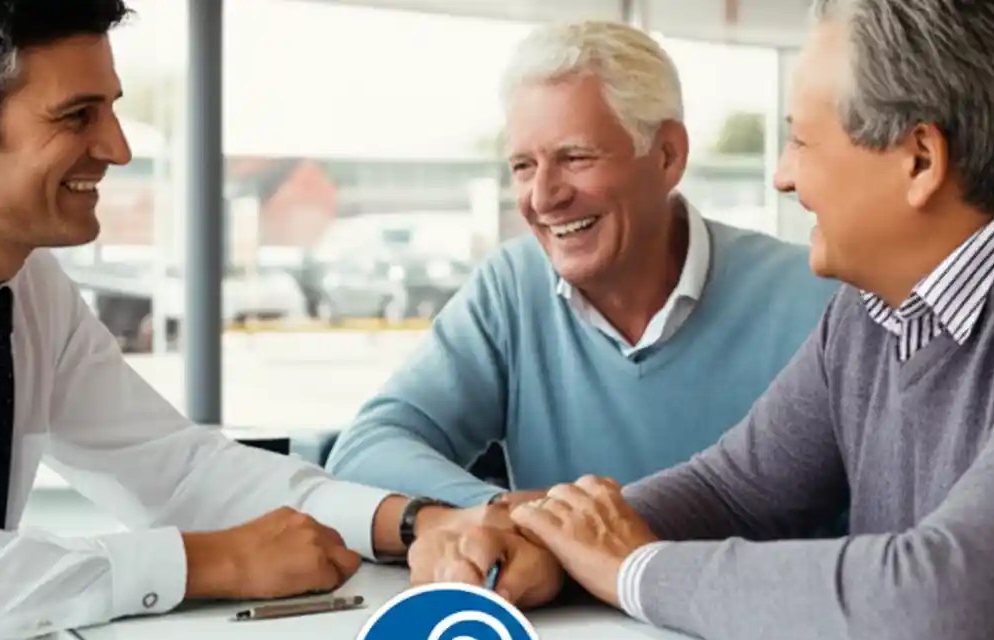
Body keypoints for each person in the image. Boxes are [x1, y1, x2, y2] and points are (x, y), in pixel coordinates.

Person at [0, 2, 556, 640]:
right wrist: (206, 562)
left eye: (111, 108)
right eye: (77, 116)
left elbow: (178, 469)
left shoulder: (28, 291)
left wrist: (417, 522)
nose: (118, 148)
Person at [509, 2, 994, 640]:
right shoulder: (873, 309)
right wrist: (544, 544)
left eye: (801, 142)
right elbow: (734, 490)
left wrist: (636, 569)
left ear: (920, 160)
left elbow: (950, 615)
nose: (782, 177)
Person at [325, 21, 838, 508]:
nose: (542, 197)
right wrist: (503, 514)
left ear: (667, 155)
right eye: (524, 166)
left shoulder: (815, 297)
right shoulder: (513, 288)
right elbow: (366, 450)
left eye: (575, 158)